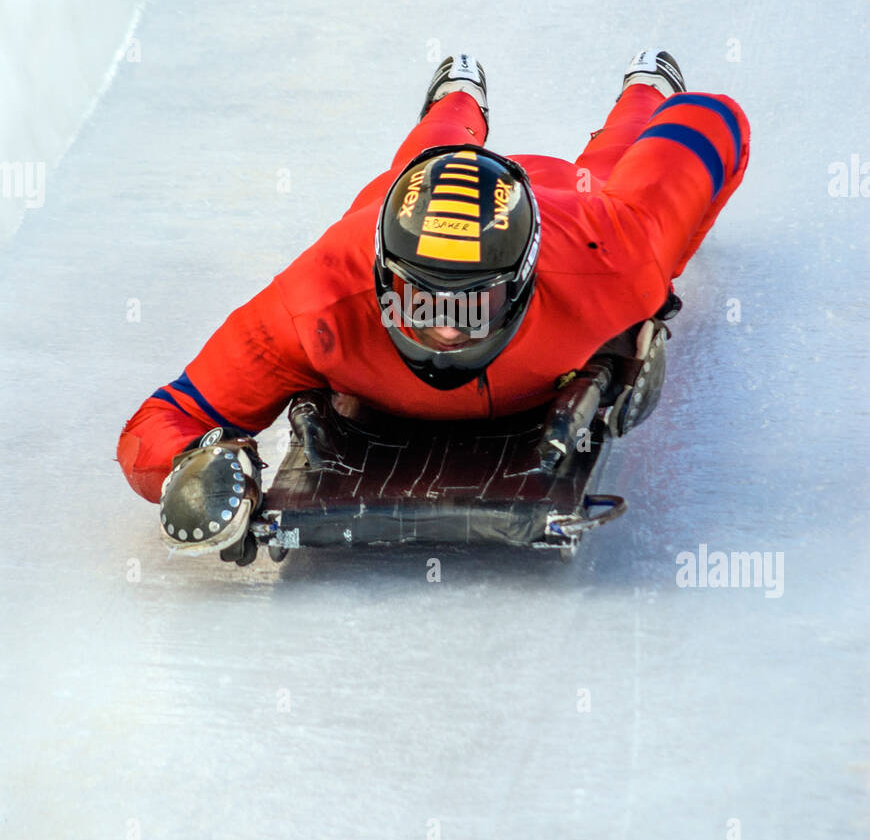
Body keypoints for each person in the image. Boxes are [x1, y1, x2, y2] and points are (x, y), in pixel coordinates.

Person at [117, 49, 750, 560]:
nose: (446, 330)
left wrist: (671, 118)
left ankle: (643, 87)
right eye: (421, 299)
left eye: (476, 302)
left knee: (612, 168)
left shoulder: (612, 253)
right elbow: (161, 419)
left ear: (524, 281)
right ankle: (457, 101)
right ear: (384, 278)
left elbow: (714, 120)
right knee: (425, 159)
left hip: (571, 201)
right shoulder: (315, 304)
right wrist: (196, 469)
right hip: (398, 199)